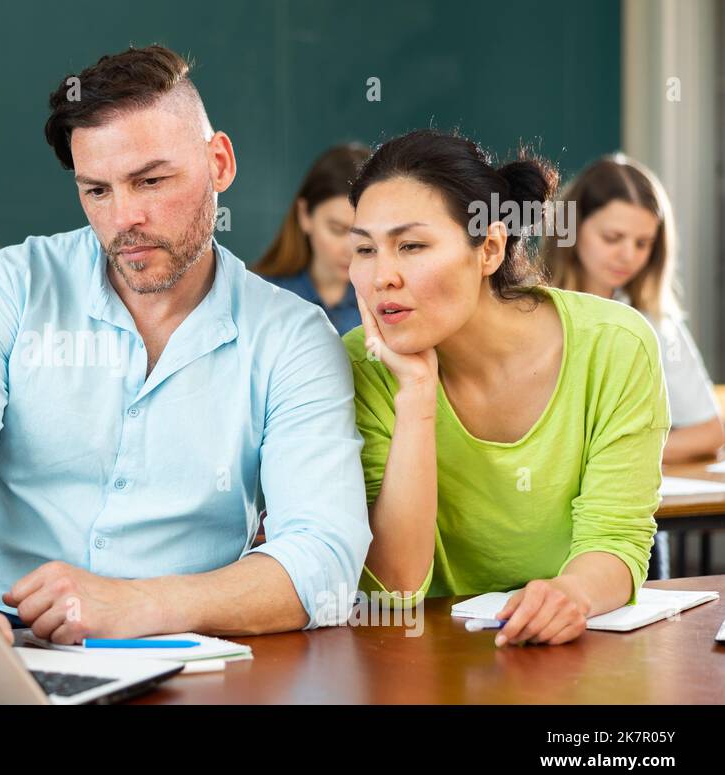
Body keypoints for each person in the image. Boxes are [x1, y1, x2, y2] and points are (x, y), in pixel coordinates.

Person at [0, 45, 370, 643]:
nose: (124, 218)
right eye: (98, 191)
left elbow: (326, 559)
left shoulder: (293, 338)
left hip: (188, 652)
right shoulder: (1, 287)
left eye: (151, 181)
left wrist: (141, 605)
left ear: (219, 162)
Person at [345, 129, 668, 647]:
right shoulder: (361, 365)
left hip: (576, 655)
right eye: (364, 248)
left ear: (490, 247)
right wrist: (417, 396)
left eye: (411, 246)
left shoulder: (615, 346)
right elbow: (396, 590)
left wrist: (572, 595)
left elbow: (615, 538)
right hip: (426, 664)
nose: (382, 275)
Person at [543, 154, 723, 463]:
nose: (628, 255)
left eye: (643, 243)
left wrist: (609, 455)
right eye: (612, 238)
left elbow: (708, 432)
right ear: (570, 228)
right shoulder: (530, 306)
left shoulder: (653, 316)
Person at [253, 143, 370, 334]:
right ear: (304, 215)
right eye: (337, 230)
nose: (352, 249)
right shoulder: (259, 296)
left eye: (365, 235)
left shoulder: (386, 305)